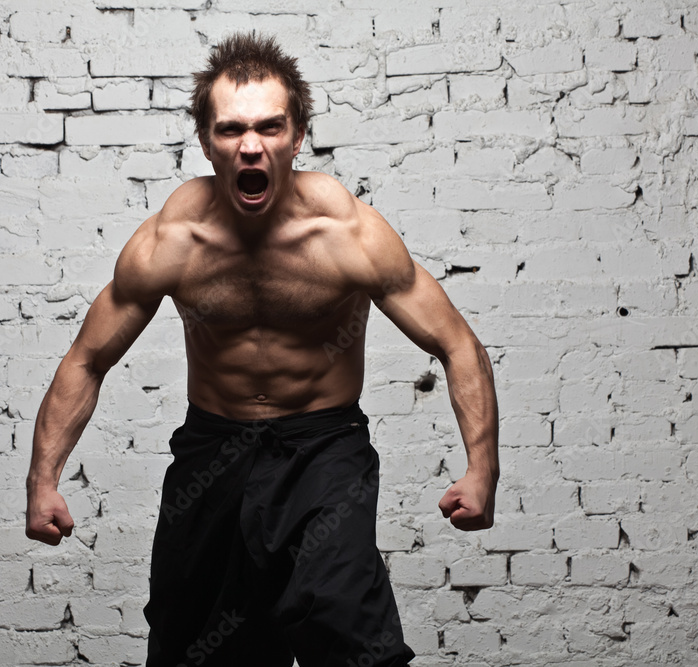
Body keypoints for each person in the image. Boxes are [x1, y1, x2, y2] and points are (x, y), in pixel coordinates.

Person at [26, 32, 499, 667]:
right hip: (212, 452)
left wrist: (482, 470)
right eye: (231, 129)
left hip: (322, 450)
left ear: (297, 136)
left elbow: (456, 343)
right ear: (206, 142)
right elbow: (88, 359)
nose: (251, 145)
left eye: (270, 126)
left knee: (346, 626)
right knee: (199, 645)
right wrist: (44, 482)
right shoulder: (174, 239)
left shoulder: (347, 233)